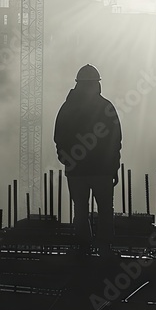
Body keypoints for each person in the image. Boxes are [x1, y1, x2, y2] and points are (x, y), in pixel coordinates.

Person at [54, 64, 121, 258]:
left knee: (81, 210)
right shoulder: (105, 107)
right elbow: (115, 139)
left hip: (78, 171)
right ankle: (104, 248)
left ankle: (84, 247)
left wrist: (66, 158)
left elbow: (59, 137)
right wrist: (113, 167)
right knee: (105, 209)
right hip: (100, 170)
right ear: (96, 85)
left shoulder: (68, 107)